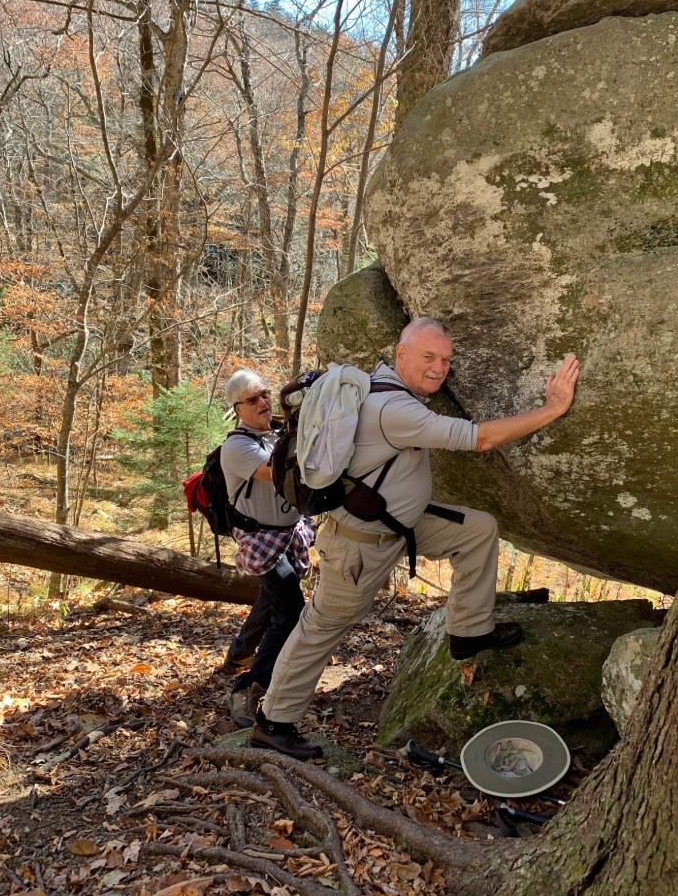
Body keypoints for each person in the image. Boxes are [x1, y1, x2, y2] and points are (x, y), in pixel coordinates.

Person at [249, 318, 580, 759]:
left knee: (477, 529)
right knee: (320, 628)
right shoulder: (395, 410)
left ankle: (468, 631)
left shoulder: (381, 384)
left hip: (401, 527)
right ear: (400, 354)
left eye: (445, 359)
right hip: (361, 546)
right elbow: (478, 439)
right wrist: (552, 409)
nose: (439, 368)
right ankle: (273, 721)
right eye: (429, 357)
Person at [220, 370, 315, 726]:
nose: (262, 403)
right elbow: (279, 472)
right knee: (290, 610)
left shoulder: (274, 433)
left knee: (271, 600)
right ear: (237, 408)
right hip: (260, 540)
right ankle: (248, 687)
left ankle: (239, 653)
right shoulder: (237, 447)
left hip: (288, 533)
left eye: (264, 395)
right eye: (252, 399)